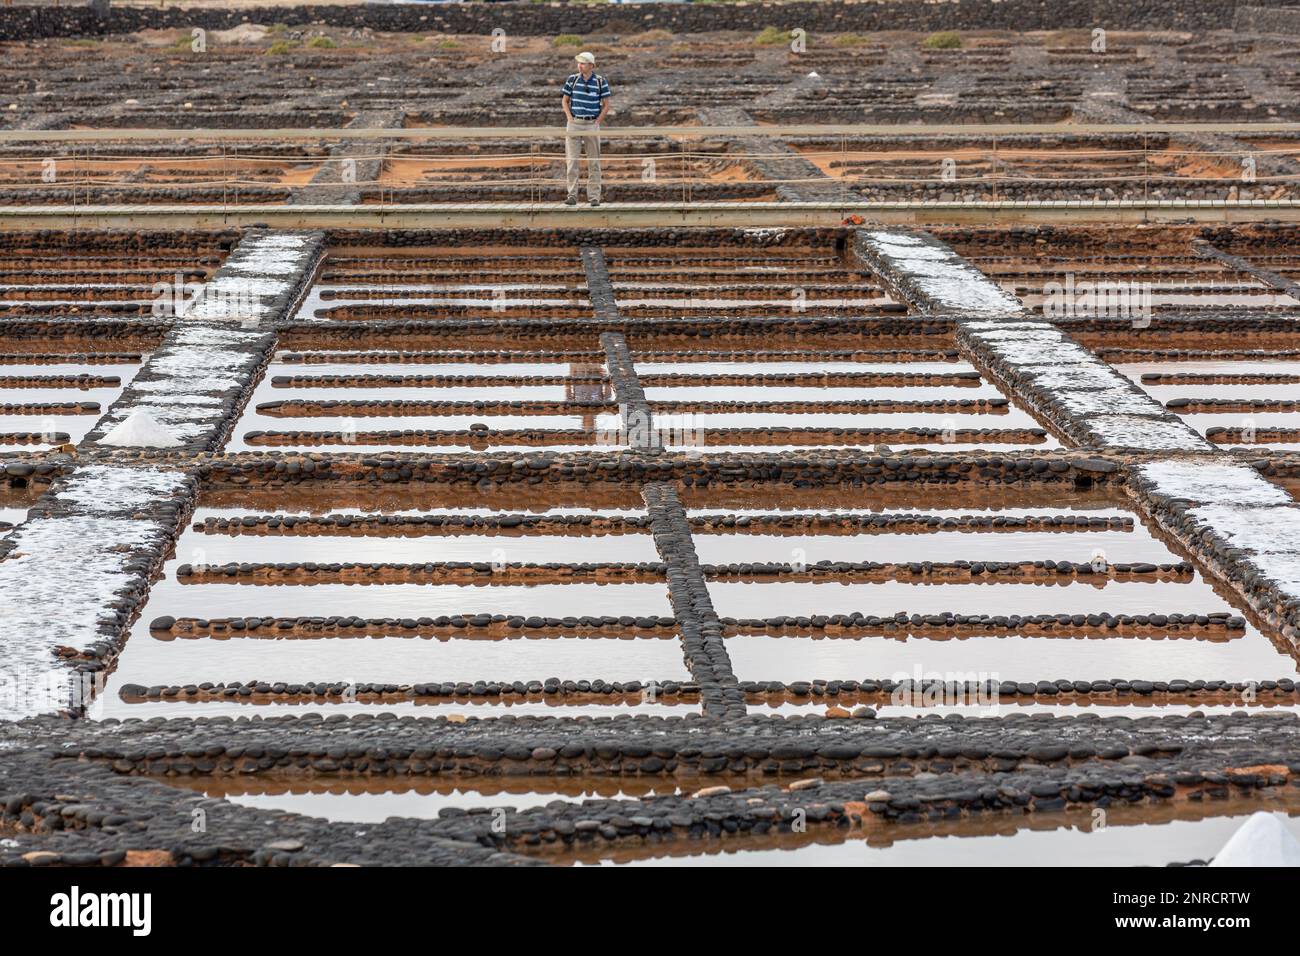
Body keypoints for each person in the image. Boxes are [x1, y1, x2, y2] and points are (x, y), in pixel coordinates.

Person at [561, 51, 611, 206]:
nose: (580, 65)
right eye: (579, 63)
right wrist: (570, 118)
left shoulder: (600, 81)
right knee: (572, 161)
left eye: (583, 63)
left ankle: (594, 197)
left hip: (591, 124)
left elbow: (606, 105)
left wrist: (597, 122)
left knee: (594, 162)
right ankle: (572, 195)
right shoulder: (572, 79)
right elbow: (565, 101)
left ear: (591, 65)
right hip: (575, 123)